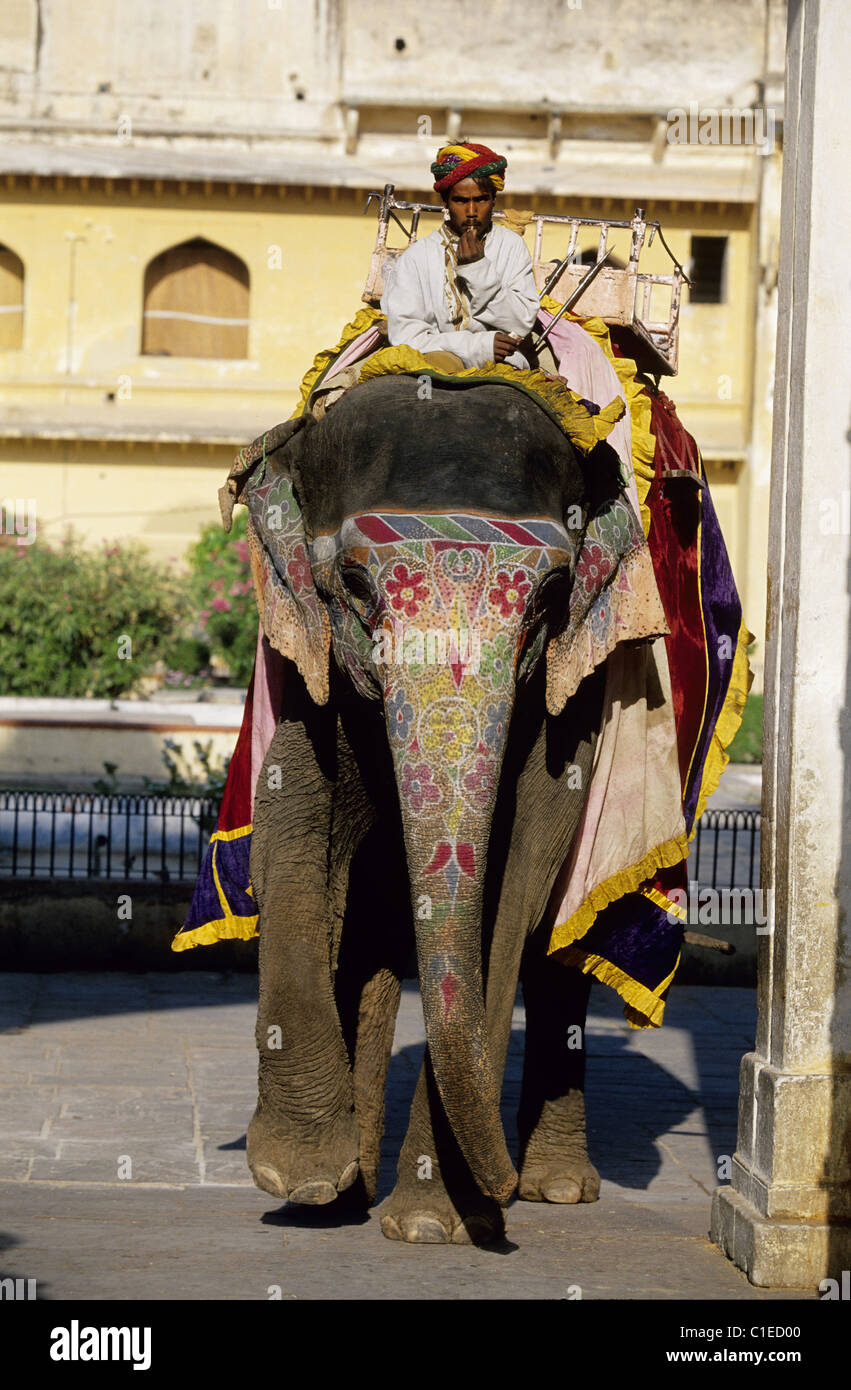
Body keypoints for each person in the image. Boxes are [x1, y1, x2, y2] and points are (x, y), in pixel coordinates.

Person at [381, 141, 539, 371]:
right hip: (434, 360)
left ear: (494, 199)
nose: (472, 211)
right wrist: (477, 346)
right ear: (445, 202)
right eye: (461, 201)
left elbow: (521, 323)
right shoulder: (417, 257)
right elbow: (405, 335)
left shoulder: (511, 246)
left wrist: (478, 268)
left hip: (505, 363)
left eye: (481, 199)